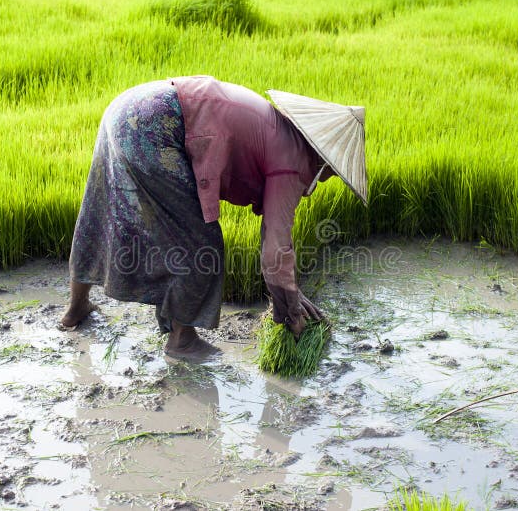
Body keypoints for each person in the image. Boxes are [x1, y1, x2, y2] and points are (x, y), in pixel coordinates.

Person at [60, 76, 367, 357]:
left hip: (126, 107)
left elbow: (271, 236)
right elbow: (276, 246)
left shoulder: (279, 129)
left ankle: (76, 308)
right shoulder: (293, 162)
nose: (329, 178)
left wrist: (289, 293)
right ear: (325, 161)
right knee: (201, 243)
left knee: (101, 211)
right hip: (158, 127)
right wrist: (290, 310)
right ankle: (182, 339)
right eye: (333, 171)